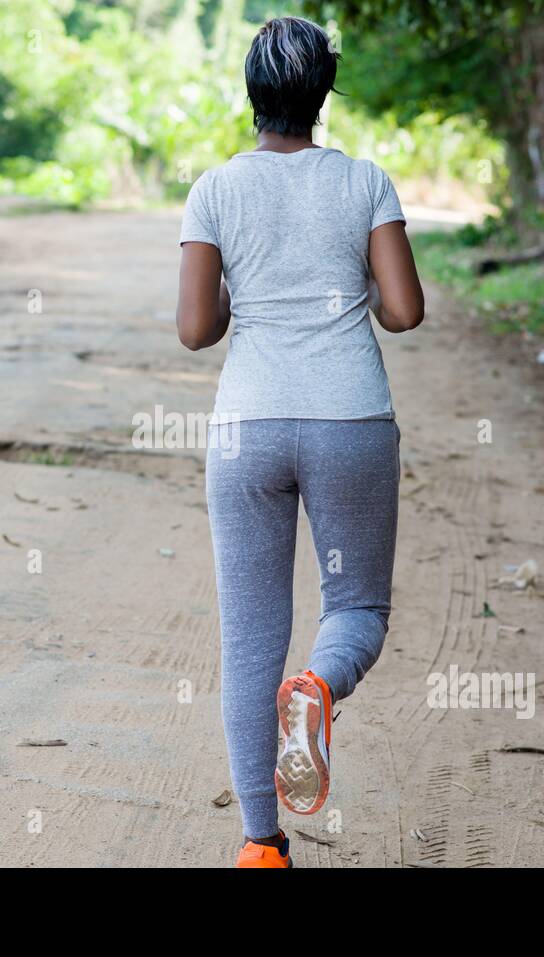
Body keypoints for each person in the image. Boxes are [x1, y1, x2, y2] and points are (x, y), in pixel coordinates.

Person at [176, 16, 425, 868]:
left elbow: (196, 329)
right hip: (349, 416)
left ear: (253, 95)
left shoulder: (214, 189)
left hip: (248, 425)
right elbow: (405, 311)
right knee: (354, 609)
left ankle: (260, 844)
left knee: (249, 638)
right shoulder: (365, 182)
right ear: (323, 93)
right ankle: (316, 689)